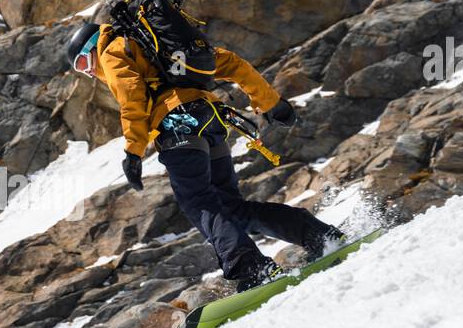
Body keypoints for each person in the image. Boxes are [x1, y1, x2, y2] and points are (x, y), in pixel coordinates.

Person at [66, 19, 344, 291]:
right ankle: (319, 236)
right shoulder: (159, 46)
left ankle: (253, 269)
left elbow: (132, 100)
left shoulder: (111, 51)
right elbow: (230, 62)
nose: (89, 72)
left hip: (176, 128)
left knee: (199, 202)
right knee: (232, 207)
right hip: (210, 120)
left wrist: (133, 152)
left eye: (83, 64)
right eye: (81, 70)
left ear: (93, 46)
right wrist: (272, 103)